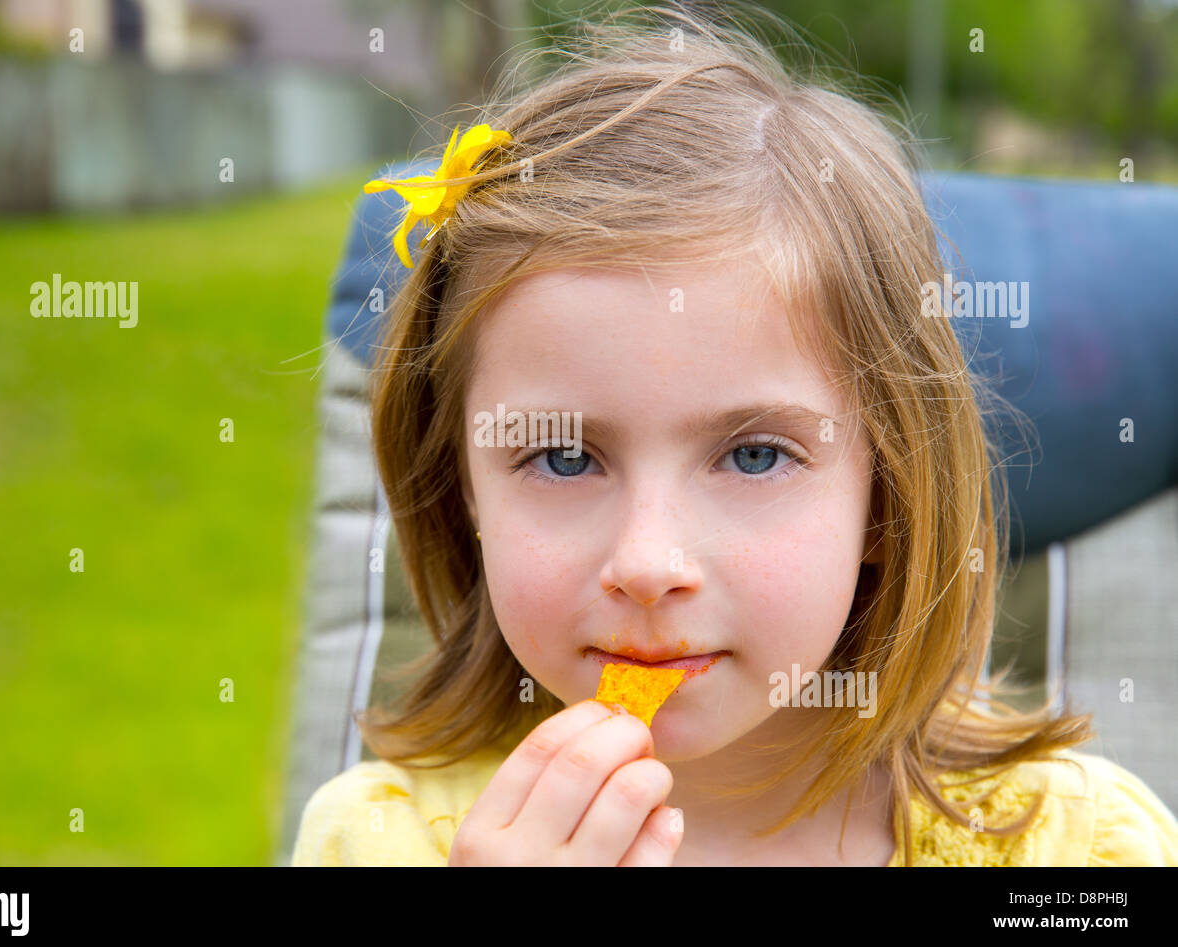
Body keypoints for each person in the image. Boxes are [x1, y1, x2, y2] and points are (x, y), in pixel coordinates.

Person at [292, 2, 1178, 866]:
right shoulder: (382, 842)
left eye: (755, 456)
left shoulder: (1079, 848)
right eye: (564, 457)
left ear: (887, 496)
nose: (646, 563)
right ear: (461, 491)